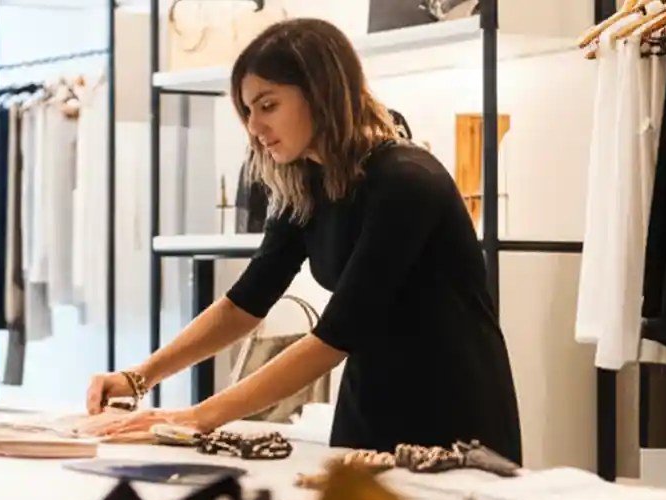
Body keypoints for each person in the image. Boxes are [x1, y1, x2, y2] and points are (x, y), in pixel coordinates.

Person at [87, 18, 522, 462]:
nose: (254, 126)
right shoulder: (306, 185)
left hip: (453, 412)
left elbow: (334, 337)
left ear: (321, 91)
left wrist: (196, 417)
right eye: (248, 111)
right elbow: (246, 302)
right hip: (369, 405)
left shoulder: (407, 181)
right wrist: (140, 377)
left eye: (268, 105)